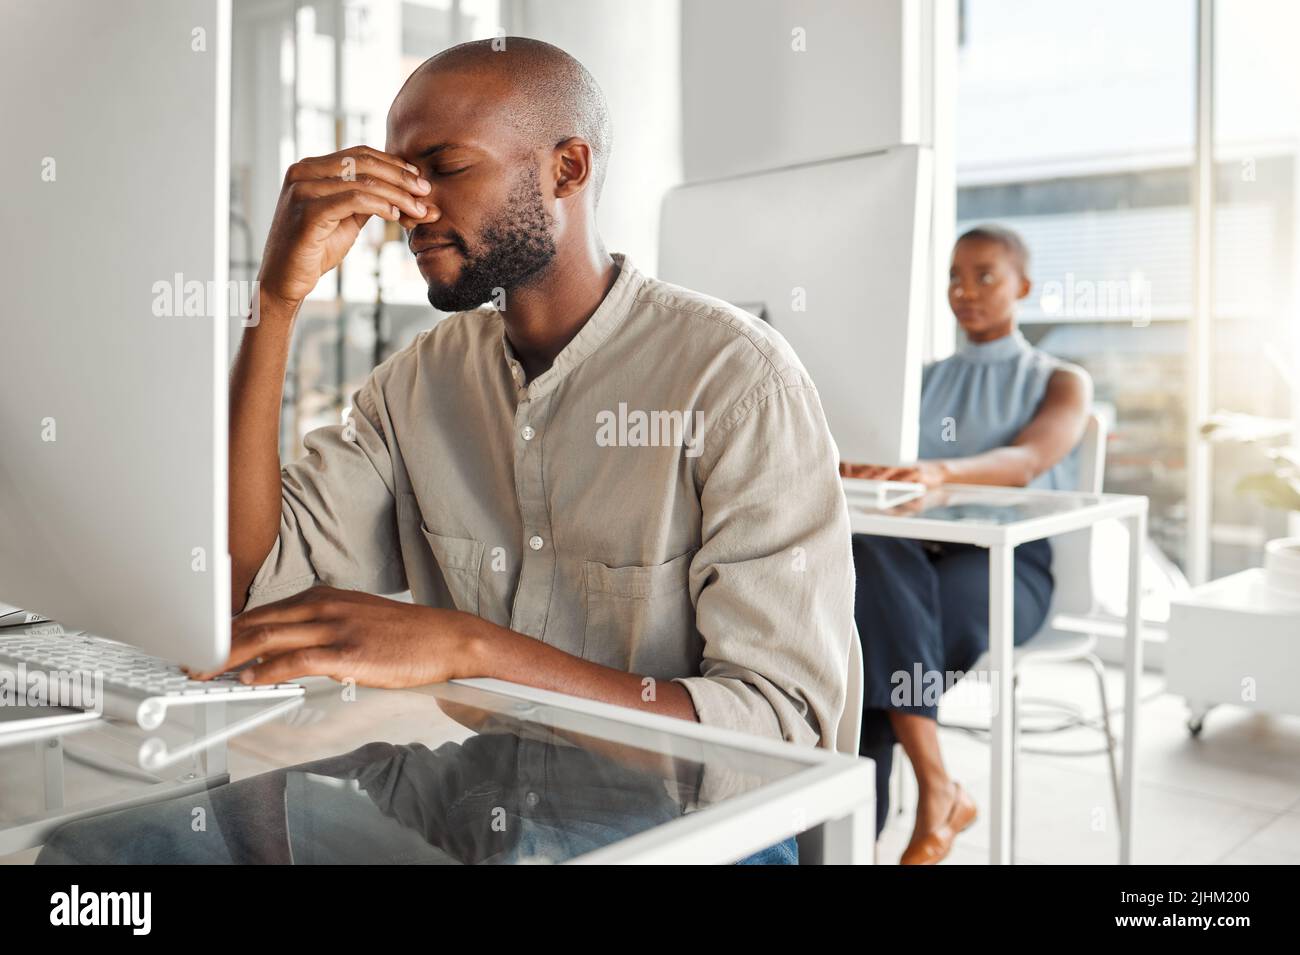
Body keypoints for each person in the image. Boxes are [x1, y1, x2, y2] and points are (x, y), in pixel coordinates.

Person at [38, 38, 853, 865]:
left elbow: (780, 733)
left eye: (443, 167)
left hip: (690, 830)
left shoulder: (737, 381)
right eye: (397, 176)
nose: (408, 208)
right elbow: (250, 583)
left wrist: (469, 645)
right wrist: (277, 300)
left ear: (567, 169)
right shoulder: (416, 384)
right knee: (100, 851)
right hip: (472, 797)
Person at [841, 225, 1092, 865]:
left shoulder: (1060, 380)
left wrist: (941, 473)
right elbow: (886, 460)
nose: (965, 290)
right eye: (955, 275)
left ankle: (860, 841)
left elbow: (1028, 459)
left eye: (985, 275)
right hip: (911, 553)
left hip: (1007, 565)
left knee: (873, 652)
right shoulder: (917, 380)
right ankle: (939, 791)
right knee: (874, 571)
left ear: (1024, 288)